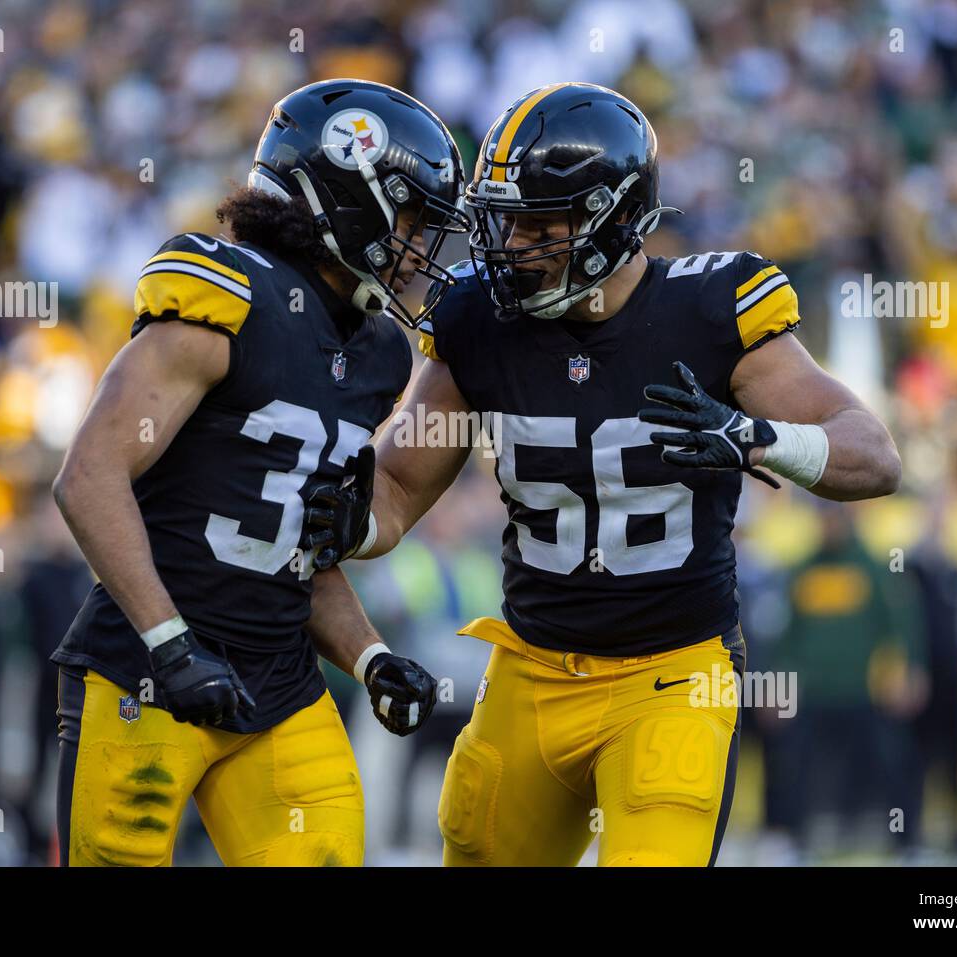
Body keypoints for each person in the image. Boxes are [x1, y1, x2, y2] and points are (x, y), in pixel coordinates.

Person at [304, 82, 902, 866]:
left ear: (612, 219)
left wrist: (757, 437)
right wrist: (347, 520)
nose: (510, 244)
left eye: (537, 224)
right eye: (503, 219)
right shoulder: (479, 322)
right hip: (532, 667)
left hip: (675, 672)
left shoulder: (710, 310)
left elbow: (872, 454)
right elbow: (399, 485)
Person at [50, 78, 468, 866]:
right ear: (347, 193)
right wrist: (171, 646)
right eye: (411, 219)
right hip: (145, 676)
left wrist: (371, 656)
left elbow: (287, 543)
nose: (421, 248)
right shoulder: (227, 296)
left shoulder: (379, 353)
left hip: (278, 685)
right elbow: (89, 474)